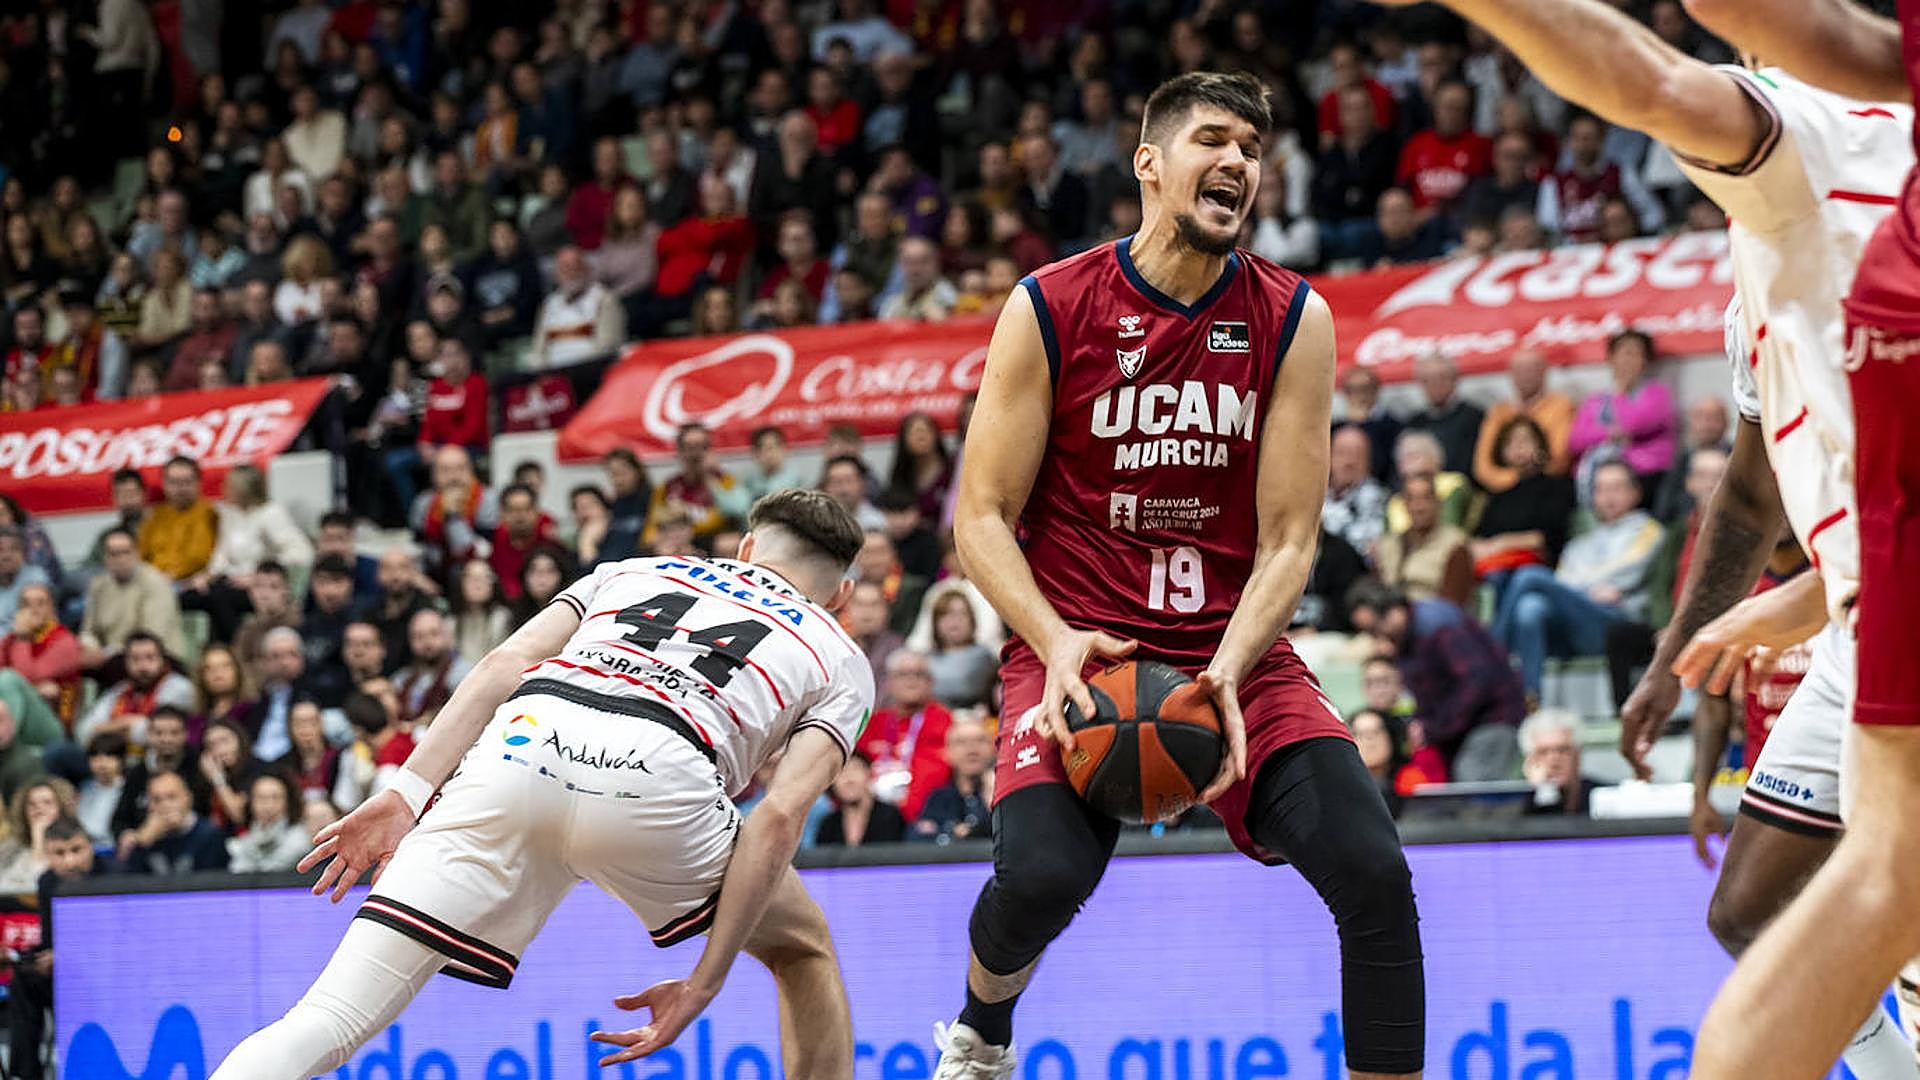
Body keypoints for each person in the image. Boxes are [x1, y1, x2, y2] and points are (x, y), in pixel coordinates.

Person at [934, 73, 1422, 1080]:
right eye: (1214, 139)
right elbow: (977, 519)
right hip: (1079, 653)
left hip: (1231, 653)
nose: (1238, 161)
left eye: (1252, 147)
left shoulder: (1294, 318)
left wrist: (1231, 670)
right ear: (1149, 162)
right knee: (1041, 880)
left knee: (1372, 869)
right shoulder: (1051, 305)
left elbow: (1291, 538)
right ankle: (983, 1029)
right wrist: (1054, 638)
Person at [211, 489, 873, 1078]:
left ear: (748, 548)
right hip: (660, 773)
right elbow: (778, 817)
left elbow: (507, 662)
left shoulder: (634, 570)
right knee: (800, 949)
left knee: (326, 1015)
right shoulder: (839, 652)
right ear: (841, 594)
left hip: (521, 747)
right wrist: (704, 982)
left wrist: (405, 792)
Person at [1493, 461, 1664, 697]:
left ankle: (1493, 654)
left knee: (1529, 575)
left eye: (1616, 488)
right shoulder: (1579, 544)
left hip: (1613, 624)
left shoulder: (1648, 530)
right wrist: (1585, 592)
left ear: (1635, 493)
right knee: (1530, 608)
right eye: (1601, 489)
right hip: (1573, 622)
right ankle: (1531, 698)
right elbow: (1562, 583)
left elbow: (1628, 572)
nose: (1608, 497)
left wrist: (1576, 591)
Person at [1350, 582, 1526, 782]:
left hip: (1491, 719)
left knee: (1473, 783)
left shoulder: (1437, 626)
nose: (1376, 637)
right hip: (1458, 729)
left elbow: (1476, 681)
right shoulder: (1406, 638)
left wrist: (1434, 727)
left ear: (1394, 611)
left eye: (1374, 628)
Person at [9, 818, 103, 1080]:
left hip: (107, 977)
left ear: (90, 847)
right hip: (66, 976)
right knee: (23, 979)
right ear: (48, 855)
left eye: (76, 850)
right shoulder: (48, 883)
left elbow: (123, 942)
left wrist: (68, 956)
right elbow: (51, 940)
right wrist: (25, 957)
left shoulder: (113, 874)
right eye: (60, 853)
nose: (70, 861)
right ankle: (24, 1074)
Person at [1471, 415, 1579, 598]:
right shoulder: (1500, 495)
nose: (1518, 447)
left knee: (1521, 584)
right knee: (1495, 579)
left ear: (1541, 446)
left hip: (1541, 569)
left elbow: (1544, 538)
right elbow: (1478, 537)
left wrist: (1501, 543)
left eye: (1525, 440)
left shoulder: (1558, 486)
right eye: (1511, 442)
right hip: (1498, 567)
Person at [1567, 329, 1677, 496]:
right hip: (1598, 477)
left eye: (1635, 354)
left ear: (1646, 361)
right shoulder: (1594, 401)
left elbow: (1631, 424)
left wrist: (1621, 393)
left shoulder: (1657, 394)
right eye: (1624, 353)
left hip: (1645, 477)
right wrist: (1610, 433)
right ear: (1611, 359)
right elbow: (1576, 441)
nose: (1628, 360)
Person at [858, 650, 953, 820]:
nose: (911, 681)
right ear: (888, 683)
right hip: (871, 814)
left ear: (930, 682)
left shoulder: (942, 720)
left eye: (918, 674)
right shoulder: (873, 723)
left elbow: (934, 772)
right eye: (902, 675)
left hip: (922, 815)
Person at [1471, 349, 1576, 493]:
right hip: (1502, 492)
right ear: (1510, 374)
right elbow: (1482, 467)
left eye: (1531, 369)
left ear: (1545, 372)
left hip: (1548, 490)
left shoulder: (1562, 406)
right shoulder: (1499, 412)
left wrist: (1528, 479)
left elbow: (1558, 460)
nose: (1525, 375)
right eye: (1519, 370)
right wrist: (1515, 478)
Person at [80, 527, 186, 664]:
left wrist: (107, 653)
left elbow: (151, 636)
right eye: (113, 554)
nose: (120, 559)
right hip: (111, 657)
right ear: (105, 557)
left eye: (126, 552)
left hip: (157, 657)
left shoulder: (155, 582)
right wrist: (90, 648)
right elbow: (88, 630)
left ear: (137, 553)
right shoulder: (99, 586)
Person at [74, 632, 195, 750]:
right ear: (125, 663)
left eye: (150, 658)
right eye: (135, 659)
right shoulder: (121, 689)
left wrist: (111, 726)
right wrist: (125, 723)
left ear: (163, 660)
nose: (143, 666)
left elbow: (157, 733)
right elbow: (84, 731)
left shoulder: (178, 687)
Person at [1374, 475, 1475, 607]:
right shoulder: (1388, 544)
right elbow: (1374, 589)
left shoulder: (1455, 544)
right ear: (1404, 505)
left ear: (1438, 503)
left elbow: (1452, 605)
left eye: (1425, 498)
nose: (1418, 507)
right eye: (1411, 499)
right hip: (1387, 613)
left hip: (1433, 615)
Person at [530, 245, 626, 368]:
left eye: (575, 266)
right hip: (555, 376)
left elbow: (606, 348)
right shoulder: (549, 305)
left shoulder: (604, 299)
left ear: (587, 269)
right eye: (564, 268)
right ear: (556, 274)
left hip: (591, 371)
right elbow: (539, 351)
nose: (570, 273)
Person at [121, 770, 230, 875]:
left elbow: (214, 885)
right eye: (157, 800)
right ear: (149, 805)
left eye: (172, 797)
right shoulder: (147, 837)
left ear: (188, 798)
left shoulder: (209, 835)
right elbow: (127, 885)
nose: (165, 806)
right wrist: (141, 844)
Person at [2, 583, 80, 726]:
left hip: (55, 722)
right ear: (18, 611)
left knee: (8, 679)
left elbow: (24, 679)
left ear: (52, 610)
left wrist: (23, 638)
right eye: (26, 604)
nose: (33, 610)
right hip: (15, 712)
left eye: (41, 603)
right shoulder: (9, 640)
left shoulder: (65, 640)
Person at [645, 423, 735, 546]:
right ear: (679, 451)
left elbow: (724, 518)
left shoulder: (725, 481)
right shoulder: (668, 487)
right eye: (689, 447)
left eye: (701, 447)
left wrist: (683, 516)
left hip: (712, 546)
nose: (695, 455)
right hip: (675, 547)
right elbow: (651, 529)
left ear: (709, 450)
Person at [913, 715, 996, 843]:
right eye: (961, 742)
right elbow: (918, 840)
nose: (972, 750)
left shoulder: (1005, 795)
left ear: (994, 749)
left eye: (980, 741)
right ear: (947, 752)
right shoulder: (937, 799)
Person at [138, 456, 219, 583]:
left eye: (187, 482)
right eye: (174, 482)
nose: (181, 488)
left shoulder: (212, 515)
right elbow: (141, 558)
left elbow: (217, 559)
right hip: (156, 583)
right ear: (164, 484)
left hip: (194, 583)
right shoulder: (154, 517)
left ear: (199, 483)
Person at [1404, 354, 1485, 477]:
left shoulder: (1475, 418)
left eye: (1442, 378)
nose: (1436, 384)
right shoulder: (1413, 424)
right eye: (1428, 380)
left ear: (1455, 380)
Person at [922, 588, 999, 710]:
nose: (955, 620)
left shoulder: (983, 656)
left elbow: (964, 687)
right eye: (946, 614)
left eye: (962, 614)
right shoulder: (924, 659)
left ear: (972, 620)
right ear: (935, 622)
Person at [392, 608, 471, 728]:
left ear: (447, 636)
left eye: (434, 634)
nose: (427, 642)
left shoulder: (462, 673)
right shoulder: (402, 680)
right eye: (419, 637)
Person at [814, 752, 907, 847]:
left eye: (854, 770)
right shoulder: (829, 824)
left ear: (869, 774)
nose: (848, 779)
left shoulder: (890, 816)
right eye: (841, 772)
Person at [1517, 709, 1597, 816]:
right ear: (1529, 760)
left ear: (1578, 755)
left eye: (1563, 750)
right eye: (1543, 752)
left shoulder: (1602, 796)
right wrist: (1544, 790)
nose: (1554, 760)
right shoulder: (1517, 804)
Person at [227, 772, 310, 872]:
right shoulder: (247, 837)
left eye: (275, 798)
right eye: (261, 798)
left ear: (287, 802)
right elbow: (237, 869)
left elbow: (274, 870)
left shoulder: (299, 836)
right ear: (251, 802)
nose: (268, 805)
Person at [821, 455, 885, 531]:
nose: (842, 489)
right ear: (824, 487)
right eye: (835, 482)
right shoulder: (817, 523)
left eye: (849, 481)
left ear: (862, 484)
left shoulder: (876, 523)